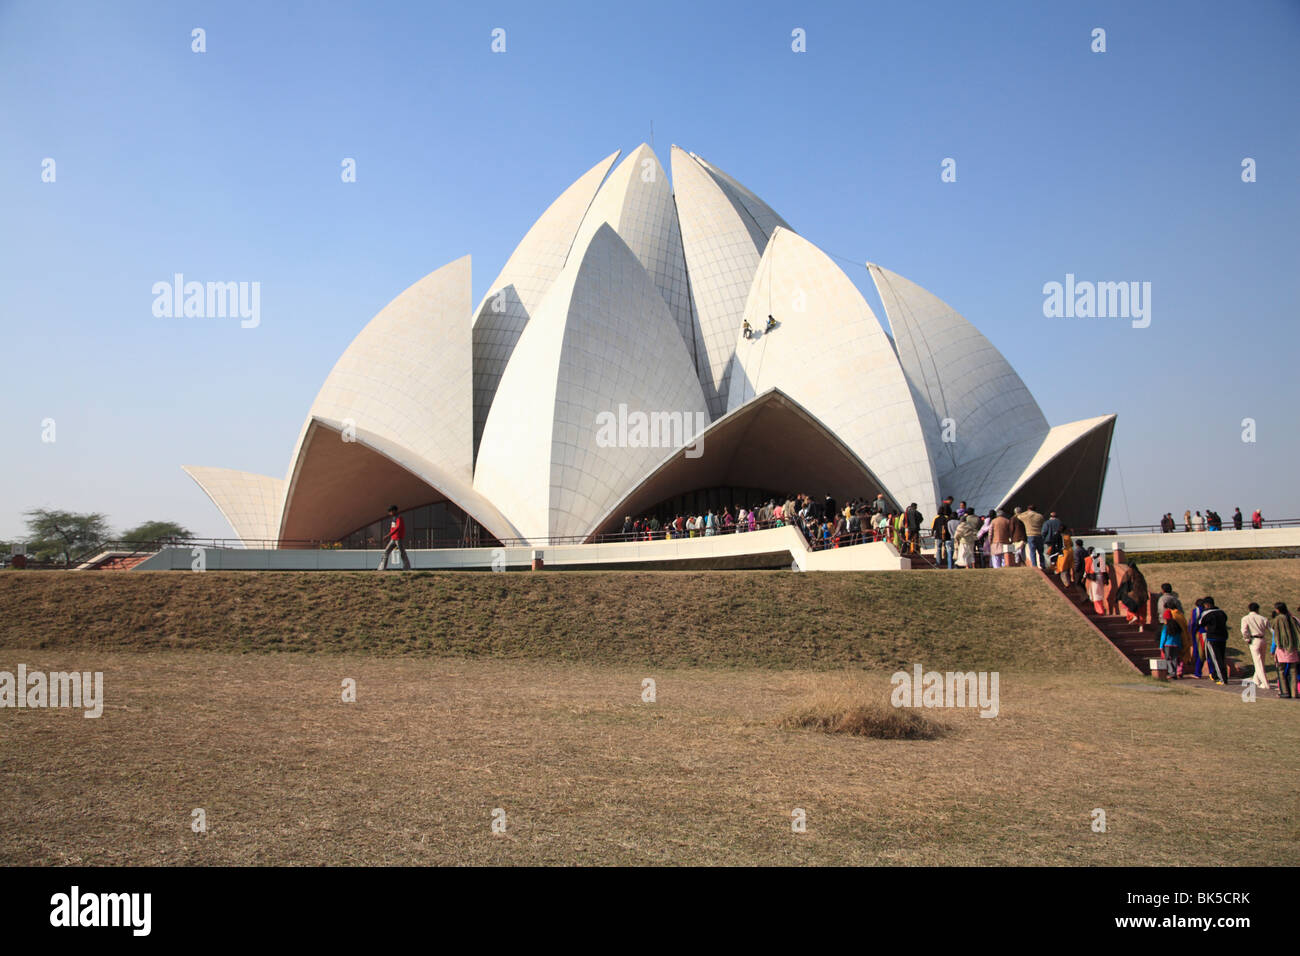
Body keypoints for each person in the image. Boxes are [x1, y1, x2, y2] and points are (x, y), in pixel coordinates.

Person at [1269, 602, 1300, 698]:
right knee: (1293, 671)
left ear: (1278, 610)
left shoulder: (1278, 620)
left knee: (1281, 671)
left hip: (1282, 649)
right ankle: (1294, 693)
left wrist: (1273, 650)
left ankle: (1285, 692)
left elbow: (1273, 628)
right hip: (1293, 649)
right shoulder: (1293, 619)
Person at [1241, 602, 1271, 690]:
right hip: (1263, 640)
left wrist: (1247, 639)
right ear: (1258, 609)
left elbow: (1244, 631)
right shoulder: (1263, 618)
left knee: (1258, 663)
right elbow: (1270, 629)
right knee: (1261, 660)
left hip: (1254, 640)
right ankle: (1256, 680)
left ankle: (1265, 684)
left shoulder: (1246, 618)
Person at [1200, 597, 1229, 685]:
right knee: (1221, 657)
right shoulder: (1222, 612)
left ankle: (1222, 678)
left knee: (1216, 659)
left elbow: (1201, 623)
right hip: (1223, 636)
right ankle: (1220, 675)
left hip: (1212, 637)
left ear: (1207, 605)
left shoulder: (1206, 613)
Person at [377, 505, 411, 571]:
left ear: (394, 511)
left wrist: (388, 535)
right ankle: (381, 568)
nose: (389, 513)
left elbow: (397, 528)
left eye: (390, 512)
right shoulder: (394, 518)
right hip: (393, 539)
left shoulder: (399, 518)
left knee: (402, 553)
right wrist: (390, 536)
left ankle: (407, 568)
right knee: (386, 552)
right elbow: (393, 528)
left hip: (398, 539)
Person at [1117, 560, 1150, 628]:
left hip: (1132, 597)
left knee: (1129, 607)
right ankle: (1141, 626)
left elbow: (1124, 585)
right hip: (1142, 597)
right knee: (1141, 612)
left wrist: (1120, 595)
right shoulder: (1139, 574)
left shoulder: (1128, 573)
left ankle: (1133, 616)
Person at [1159, 609, 1183, 679]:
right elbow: (1179, 637)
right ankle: (1174, 673)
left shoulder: (1166, 627)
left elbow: (1163, 637)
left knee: (1168, 659)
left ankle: (1171, 672)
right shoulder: (1176, 626)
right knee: (1174, 659)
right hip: (1176, 645)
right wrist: (1179, 645)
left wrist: (1161, 646)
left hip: (1167, 645)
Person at [1020, 504, 1046, 569]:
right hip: (1039, 535)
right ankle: (1043, 565)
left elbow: (1019, 516)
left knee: (1032, 551)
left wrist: (1026, 512)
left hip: (1030, 535)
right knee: (1041, 552)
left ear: (1028, 509)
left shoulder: (1026, 516)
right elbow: (1043, 523)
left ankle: (1034, 565)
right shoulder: (1040, 516)